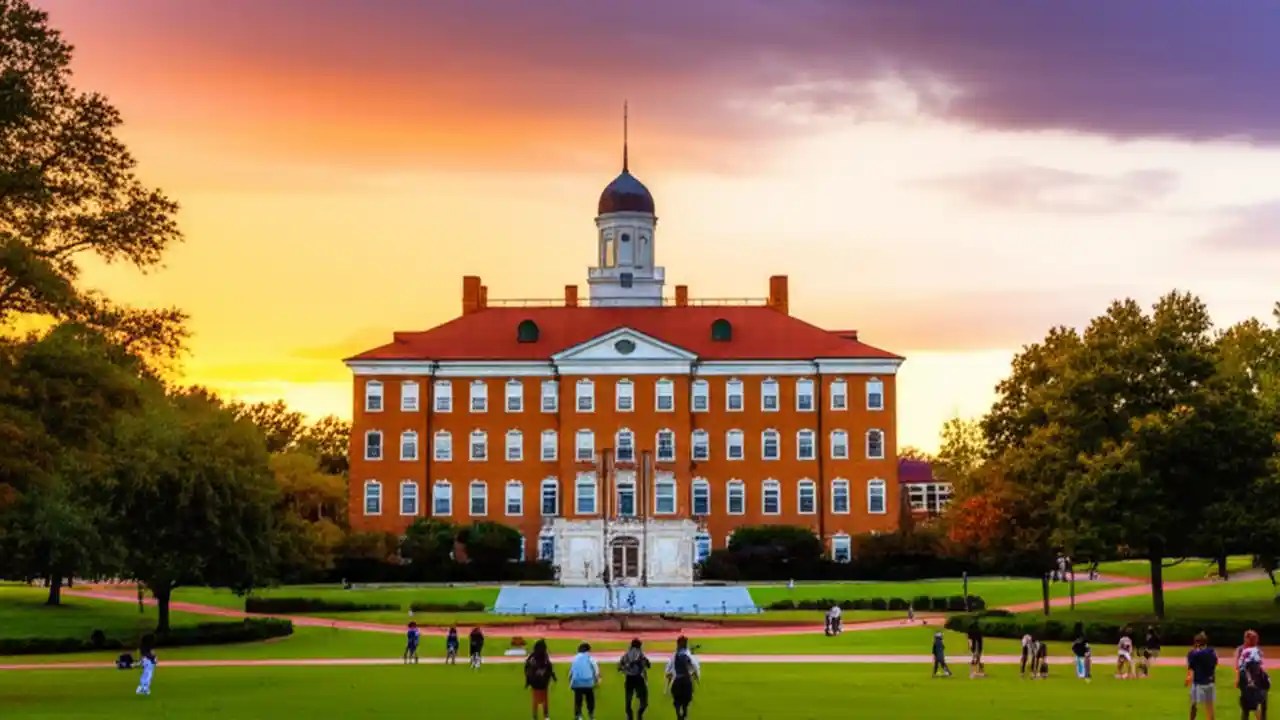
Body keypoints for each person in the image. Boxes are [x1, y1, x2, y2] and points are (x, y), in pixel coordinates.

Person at [1236, 630, 1269, 720]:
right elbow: (1252, 667)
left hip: (1248, 680)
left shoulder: (1248, 651)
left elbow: (1241, 666)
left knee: (1247, 706)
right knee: (1256, 704)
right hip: (1252, 681)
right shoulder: (1254, 651)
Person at [666, 635, 700, 720]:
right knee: (686, 700)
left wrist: (668, 678)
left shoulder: (675, 655)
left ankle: (680, 714)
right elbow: (694, 666)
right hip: (686, 680)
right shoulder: (687, 654)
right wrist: (696, 676)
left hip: (678, 679)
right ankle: (683, 714)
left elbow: (668, 670)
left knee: (677, 700)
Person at [1187, 631, 1219, 720]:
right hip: (1210, 682)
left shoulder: (1194, 654)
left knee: (1194, 704)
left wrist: (1189, 676)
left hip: (1198, 683)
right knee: (1210, 707)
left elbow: (1191, 666)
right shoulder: (1212, 652)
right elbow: (1215, 663)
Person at [618, 638, 652, 720]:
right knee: (644, 701)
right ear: (639, 646)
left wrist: (626, 668)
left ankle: (630, 717)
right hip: (638, 678)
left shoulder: (626, 654)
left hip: (629, 679)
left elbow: (619, 667)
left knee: (628, 701)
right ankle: (640, 714)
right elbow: (648, 665)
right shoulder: (640, 654)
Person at [524, 639, 557, 720]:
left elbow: (526, 668)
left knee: (535, 699)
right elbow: (550, 667)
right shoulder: (545, 656)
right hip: (543, 681)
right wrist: (553, 676)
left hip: (534, 681)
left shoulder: (532, 656)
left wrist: (527, 681)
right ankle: (546, 715)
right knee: (545, 698)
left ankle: (535, 716)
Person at [569, 642, 601, 720]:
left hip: (577, 683)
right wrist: (597, 680)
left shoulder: (575, 658)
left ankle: (578, 715)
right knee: (590, 699)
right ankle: (591, 714)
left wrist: (570, 682)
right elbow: (596, 670)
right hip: (588, 683)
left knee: (578, 700)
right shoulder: (590, 658)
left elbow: (571, 672)